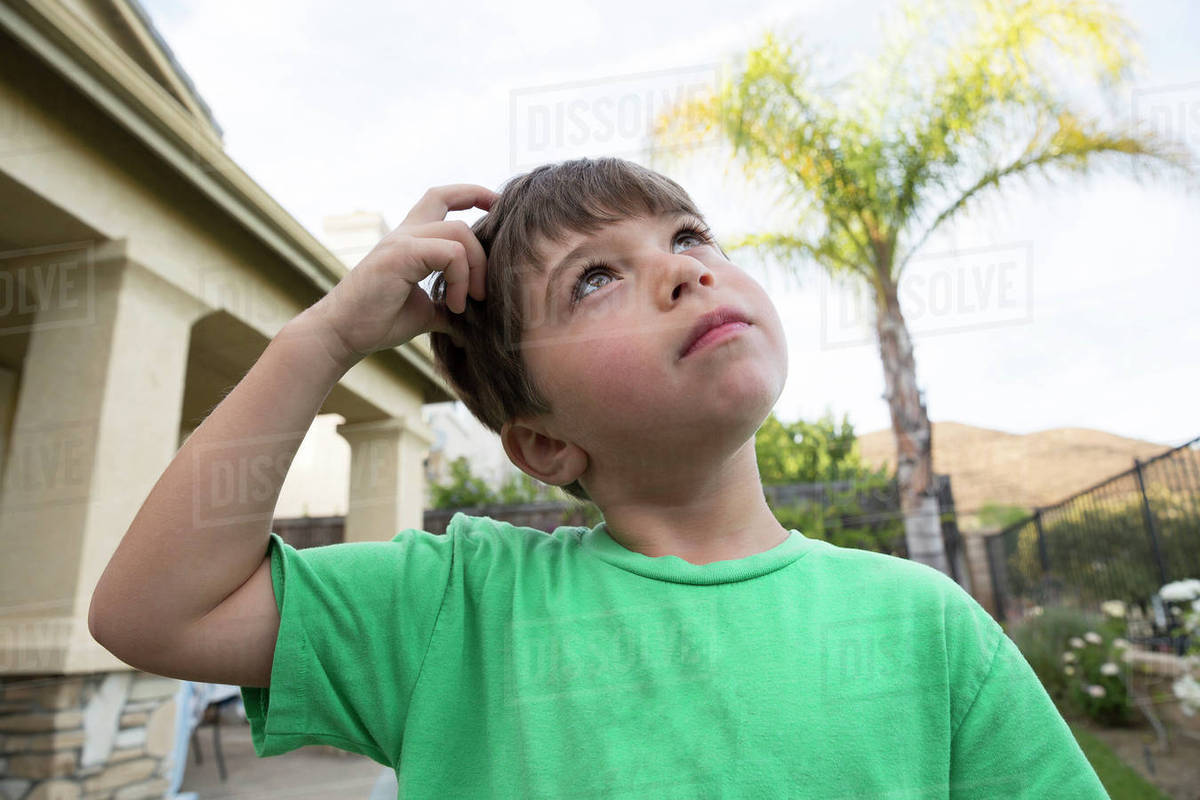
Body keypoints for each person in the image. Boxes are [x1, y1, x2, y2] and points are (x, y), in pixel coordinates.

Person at [89, 157, 1109, 799]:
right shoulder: (459, 605)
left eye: (688, 235)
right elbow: (152, 613)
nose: (684, 269)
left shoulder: (927, 626)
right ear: (542, 444)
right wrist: (322, 339)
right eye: (596, 277)